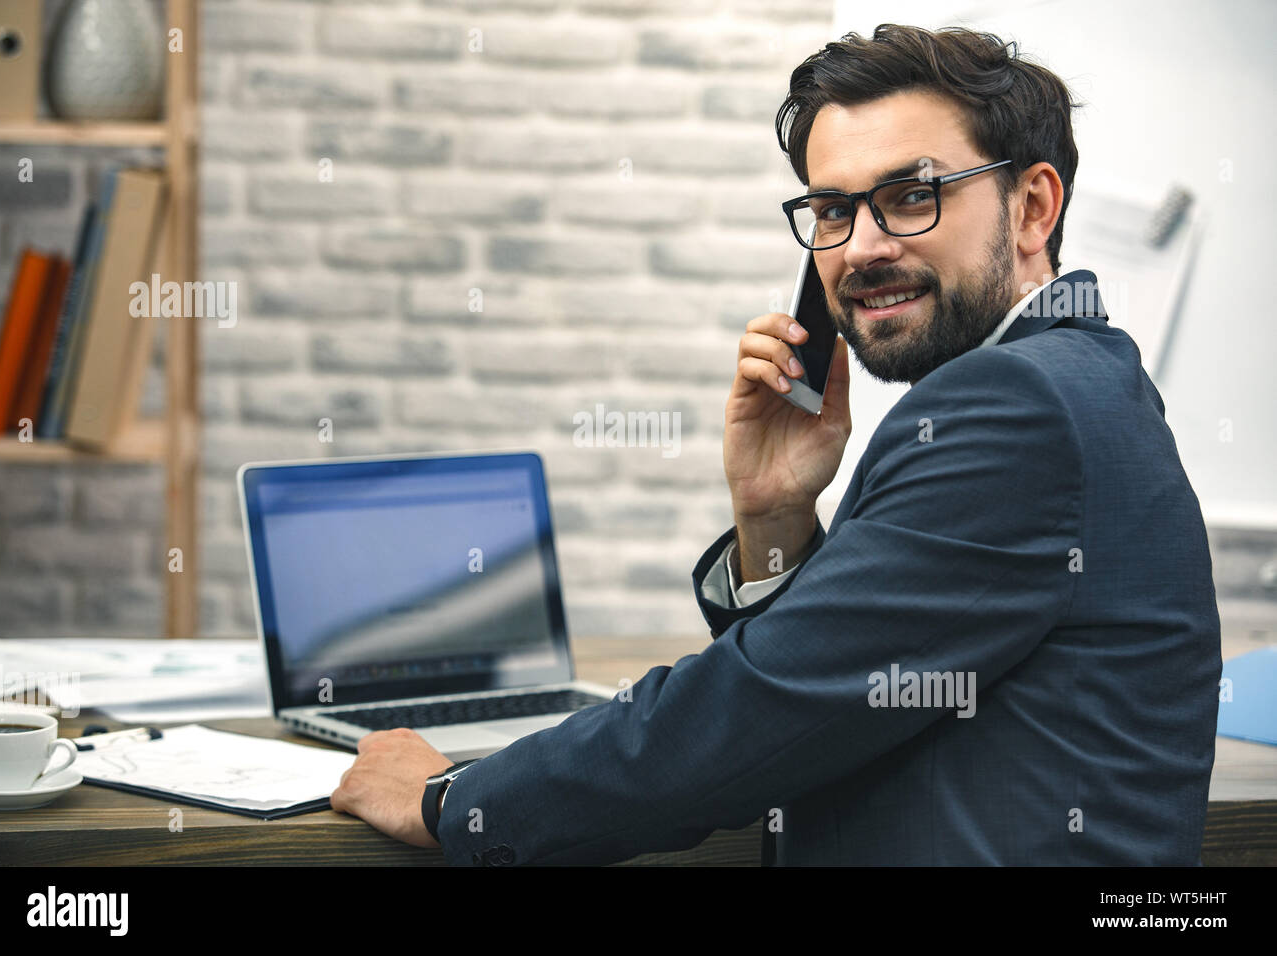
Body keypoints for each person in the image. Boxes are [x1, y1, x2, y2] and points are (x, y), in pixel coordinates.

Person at [330, 23, 1221, 865]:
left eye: (910, 197)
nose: (861, 248)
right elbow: (830, 695)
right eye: (832, 211)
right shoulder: (1079, 378)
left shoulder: (1015, 403)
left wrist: (456, 799)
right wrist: (777, 512)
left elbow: (759, 712)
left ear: (1032, 208)